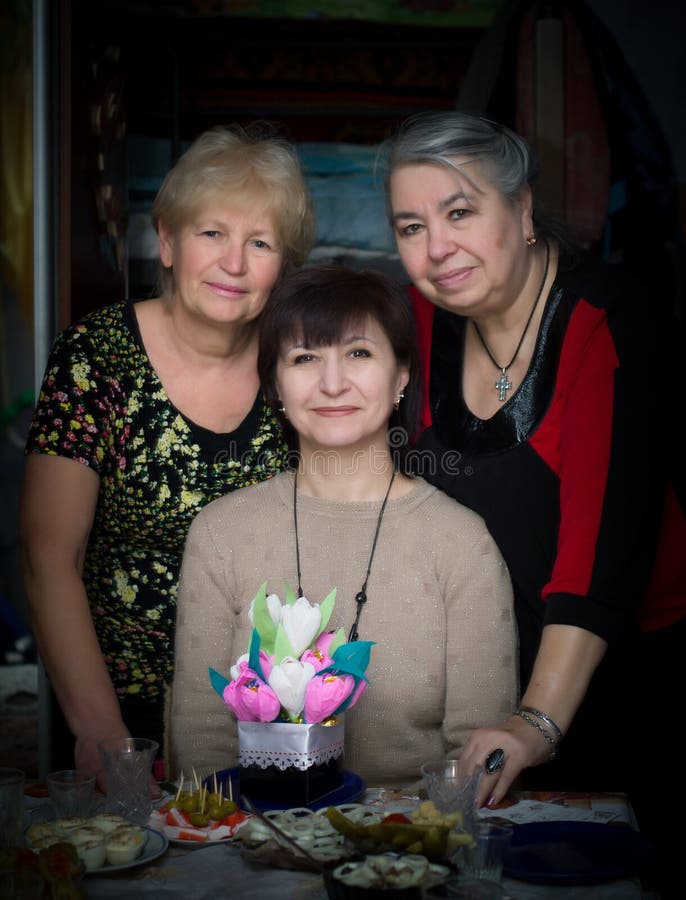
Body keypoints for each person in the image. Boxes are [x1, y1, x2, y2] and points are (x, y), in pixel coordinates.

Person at [383, 110, 686, 894]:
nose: (436, 249)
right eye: (410, 226)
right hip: (488, 678)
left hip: (626, 674)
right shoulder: (418, 321)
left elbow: (601, 546)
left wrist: (538, 719)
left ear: (521, 211)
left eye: (459, 213)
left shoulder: (607, 320)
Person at [19, 122, 316, 786]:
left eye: (260, 243)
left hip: (269, 718)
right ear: (169, 240)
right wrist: (102, 735)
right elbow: (48, 556)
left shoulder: (297, 365)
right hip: (119, 715)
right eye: (212, 233)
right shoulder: (97, 355)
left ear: (283, 267)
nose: (234, 264)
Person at [170, 263, 518, 786]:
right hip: (251, 836)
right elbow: (201, 744)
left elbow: (473, 755)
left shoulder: (460, 543)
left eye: (359, 353)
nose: (333, 384)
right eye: (305, 358)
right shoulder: (221, 534)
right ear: (275, 386)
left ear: (401, 374)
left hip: (412, 846)